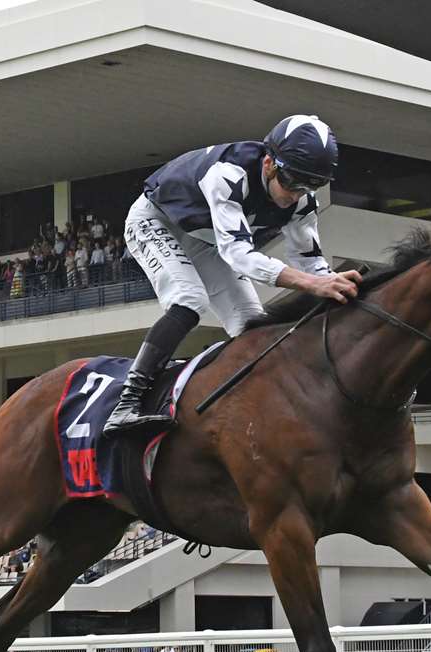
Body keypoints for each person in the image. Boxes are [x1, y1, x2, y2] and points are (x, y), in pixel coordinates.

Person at [103, 114, 362, 435]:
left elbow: (311, 263)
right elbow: (238, 256)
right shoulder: (228, 173)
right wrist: (313, 283)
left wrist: (338, 288)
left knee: (252, 326)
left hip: (206, 237)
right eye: (293, 182)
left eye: (312, 185)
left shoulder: (302, 201)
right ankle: (127, 402)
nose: (297, 194)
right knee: (190, 300)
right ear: (269, 164)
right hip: (156, 221)